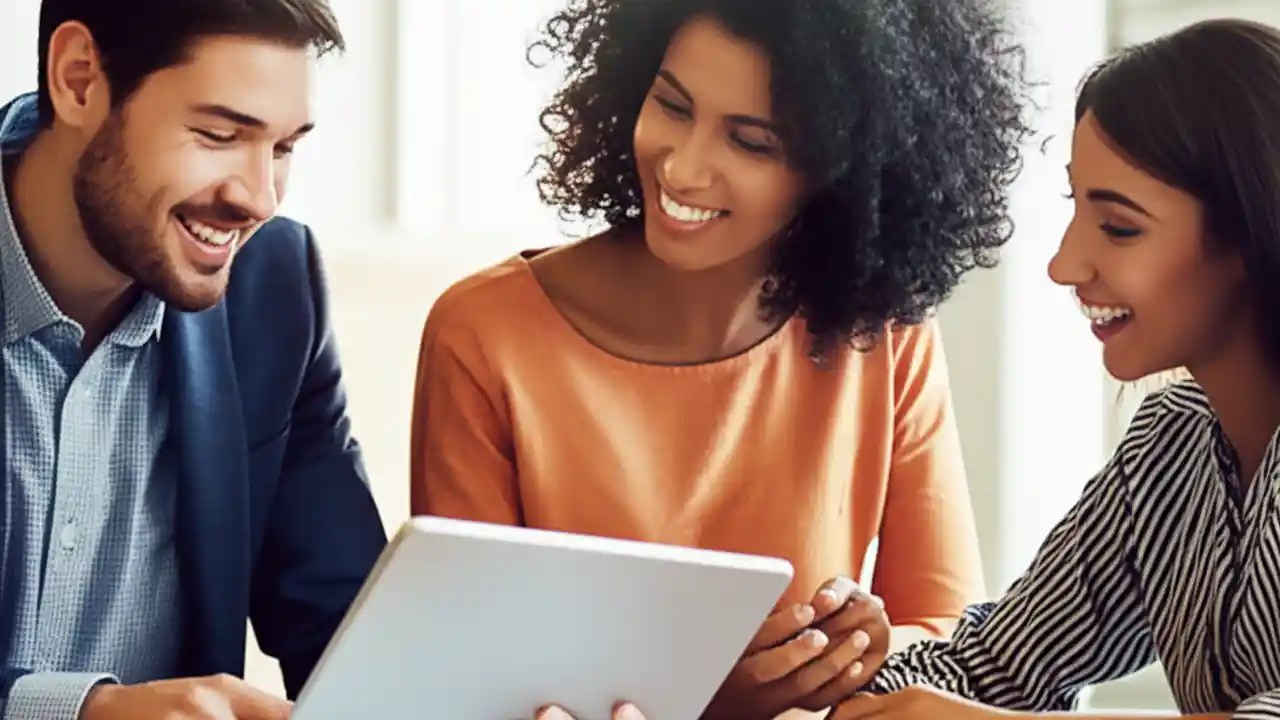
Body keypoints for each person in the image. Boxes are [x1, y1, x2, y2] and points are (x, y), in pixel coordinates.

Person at [409, 0, 1031, 717]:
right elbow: (470, 681)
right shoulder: (484, 335)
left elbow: (947, 644)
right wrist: (703, 697)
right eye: (671, 106)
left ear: (844, 168)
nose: (681, 167)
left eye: (752, 142)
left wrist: (861, 650)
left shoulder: (884, 332)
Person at [830, 17, 1280, 720]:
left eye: (1120, 227)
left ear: (1252, 235)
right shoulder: (1170, 447)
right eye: (1078, 209)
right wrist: (829, 672)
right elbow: (996, 670)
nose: (1064, 265)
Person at [0, 1, 395, 718]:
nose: (259, 199)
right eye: (219, 135)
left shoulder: (273, 289)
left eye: (283, 148)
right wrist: (83, 711)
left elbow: (358, 640)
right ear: (79, 79)